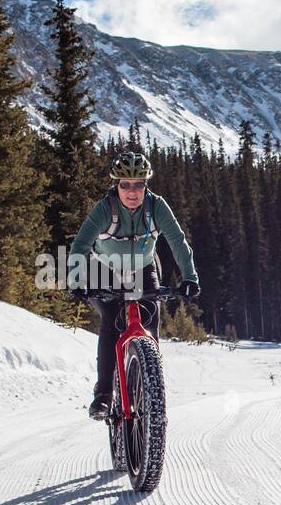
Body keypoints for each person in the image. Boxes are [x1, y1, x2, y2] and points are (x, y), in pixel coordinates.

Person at [69, 152, 200, 419]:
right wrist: (78, 280)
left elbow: (177, 241)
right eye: (125, 184)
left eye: (138, 184)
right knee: (111, 320)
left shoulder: (157, 207)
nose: (132, 191)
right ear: (117, 185)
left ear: (146, 186)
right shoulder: (105, 208)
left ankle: (151, 388)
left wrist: (189, 278)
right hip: (106, 268)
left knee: (150, 321)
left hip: (143, 268)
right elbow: (81, 245)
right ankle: (104, 395)